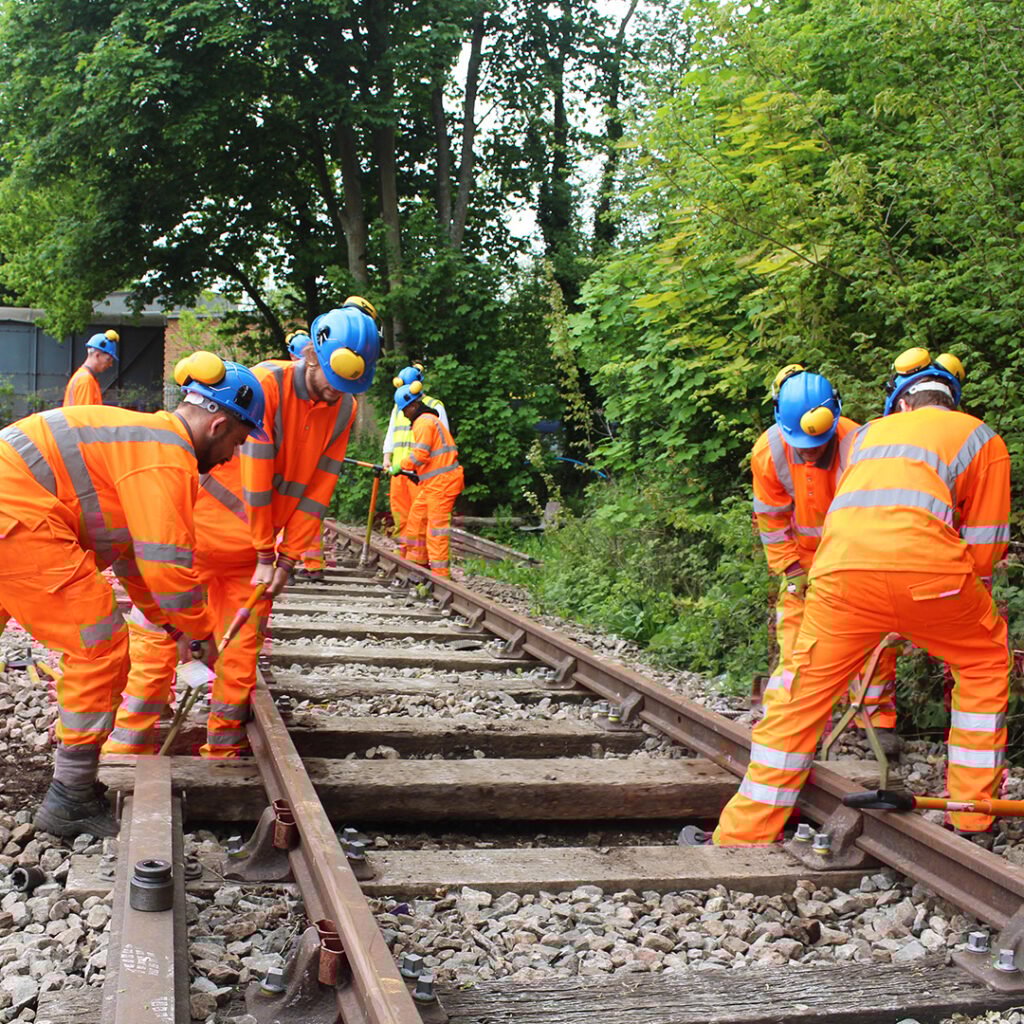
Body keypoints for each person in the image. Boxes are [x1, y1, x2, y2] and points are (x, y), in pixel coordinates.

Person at [712, 348, 1009, 847]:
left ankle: (743, 835)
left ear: (900, 403)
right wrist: (941, 607)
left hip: (838, 575)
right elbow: (984, 549)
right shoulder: (982, 438)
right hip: (933, 577)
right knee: (982, 664)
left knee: (798, 695)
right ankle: (973, 815)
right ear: (953, 399)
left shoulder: (868, 434)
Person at [0, 353, 266, 836]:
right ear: (219, 425)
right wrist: (200, 631)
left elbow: (132, 561)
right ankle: (71, 798)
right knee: (100, 645)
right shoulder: (167, 456)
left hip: (13, 506)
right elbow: (167, 568)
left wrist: (169, 627)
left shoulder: (144, 441)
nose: (232, 456)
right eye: (237, 441)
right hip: (16, 515)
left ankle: (73, 792)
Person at [104, 302, 380, 759]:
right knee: (159, 636)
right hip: (199, 538)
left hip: (253, 557)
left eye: (347, 386)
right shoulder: (265, 384)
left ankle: (222, 750)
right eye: (333, 381)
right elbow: (256, 471)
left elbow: (318, 489)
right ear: (311, 354)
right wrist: (268, 555)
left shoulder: (344, 408)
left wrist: (289, 557)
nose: (336, 394)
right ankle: (128, 748)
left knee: (240, 650)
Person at [753, 366, 899, 748]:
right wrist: (791, 568)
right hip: (802, 561)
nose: (810, 451)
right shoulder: (769, 452)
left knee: (870, 635)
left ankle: (875, 720)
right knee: (798, 641)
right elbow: (771, 519)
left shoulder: (861, 445)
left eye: (816, 444)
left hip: (857, 555)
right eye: (801, 445)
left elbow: (876, 512)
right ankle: (793, 721)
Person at [391, 380, 464, 577]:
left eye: (405, 410)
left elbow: (420, 455)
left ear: (413, 406)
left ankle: (441, 575)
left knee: (436, 529)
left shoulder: (423, 423)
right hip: (434, 483)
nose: (404, 415)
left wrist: (401, 466)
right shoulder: (427, 421)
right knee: (417, 518)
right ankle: (418, 562)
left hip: (442, 483)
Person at [382, 364, 449, 557]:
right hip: (399, 469)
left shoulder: (433, 407)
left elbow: (441, 441)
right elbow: (391, 433)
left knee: (419, 516)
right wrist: (388, 457)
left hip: (420, 472)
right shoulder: (400, 406)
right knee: (400, 513)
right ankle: (405, 549)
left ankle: (421, 553)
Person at [284, 328, 327, 582]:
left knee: (283, 511)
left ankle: (286, 565)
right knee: (309, 513)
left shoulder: (286, 384)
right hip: (313, 463)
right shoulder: (324, 389)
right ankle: (313, 564)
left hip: (290, 463)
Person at [63, 330, 119, 406]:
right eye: (108, 359)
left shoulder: (84, 377)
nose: (110, 364)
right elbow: (86, 416)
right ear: (97, 355)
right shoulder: (86, 381)